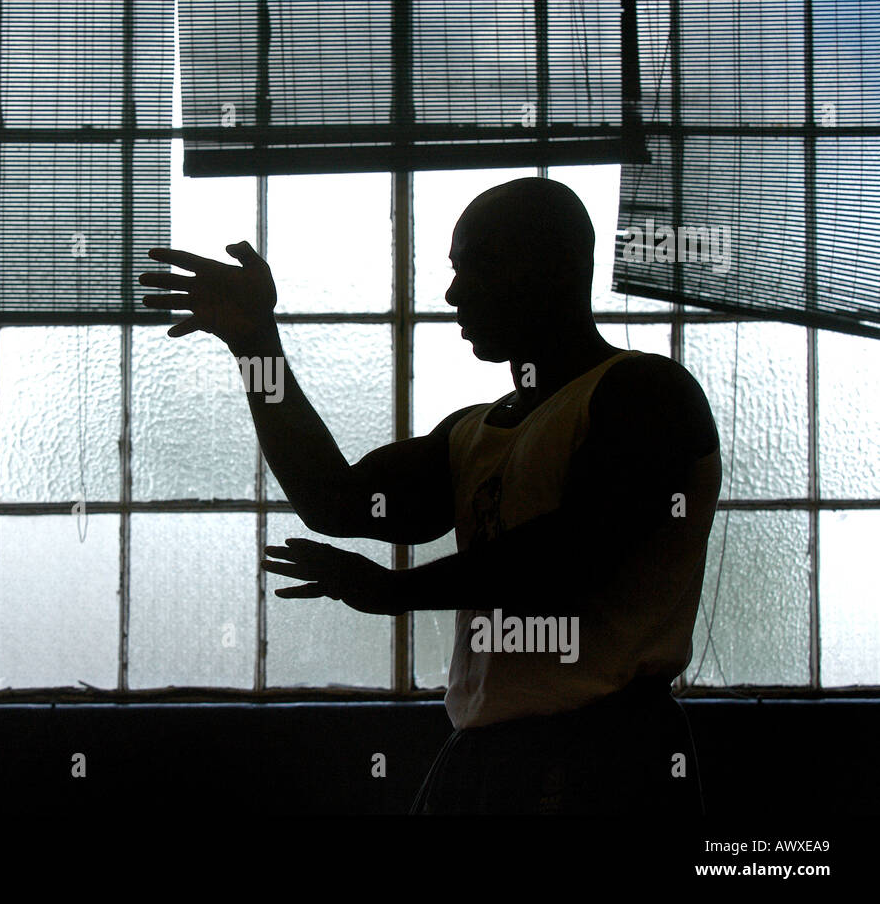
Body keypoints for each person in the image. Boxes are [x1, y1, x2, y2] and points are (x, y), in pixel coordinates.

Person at [140, 176, 720, 814]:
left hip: (603, 760)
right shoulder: (477, 431)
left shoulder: (644, 393)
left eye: (476, 265)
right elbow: (335, 499)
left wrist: (394, 592)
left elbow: (570, 556)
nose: (453, 292)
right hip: (492, 752)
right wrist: (254, 344)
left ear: (553, 268)